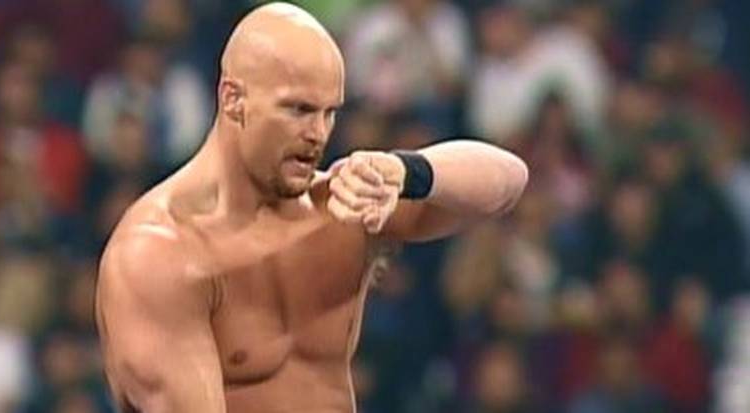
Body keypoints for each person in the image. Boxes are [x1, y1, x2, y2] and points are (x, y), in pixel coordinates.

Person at [94, 3, 528, 412]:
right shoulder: (160, 254)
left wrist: (405, 171)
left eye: (329, 112)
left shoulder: (342, 208)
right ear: (233, 99)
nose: (318, 133)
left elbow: (508, 182)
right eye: (298, 109)